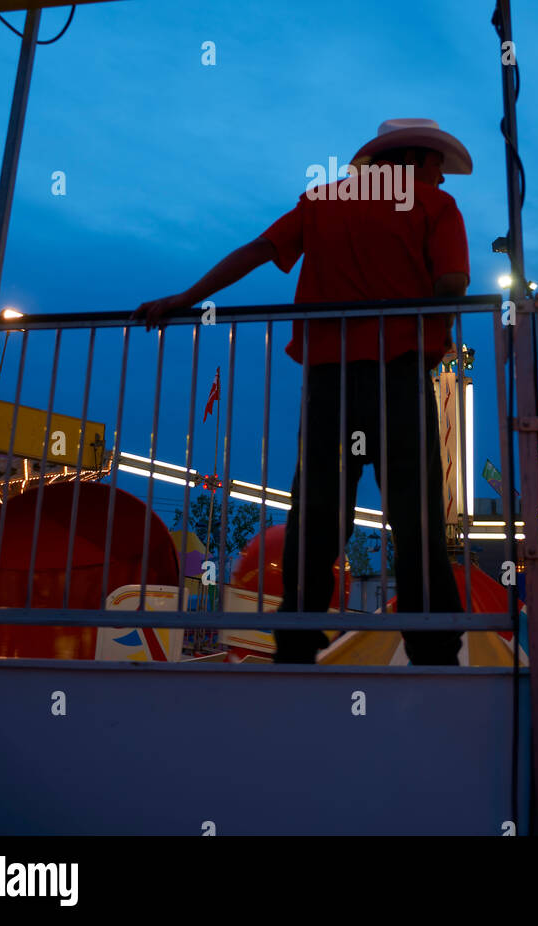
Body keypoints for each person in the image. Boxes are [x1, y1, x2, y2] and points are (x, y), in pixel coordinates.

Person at [133, 117, 472, 666]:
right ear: (412, 158)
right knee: (416, 516)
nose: (441, 174)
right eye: (436, 163)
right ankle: (433, 646)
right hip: (399, 377)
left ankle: (296, 639)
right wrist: (437, 315)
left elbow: (257, 250)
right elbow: (453, 283)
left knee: (317, 510)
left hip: (328, 381)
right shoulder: (436, 206)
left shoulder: (322, 200)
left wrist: (188, 296)